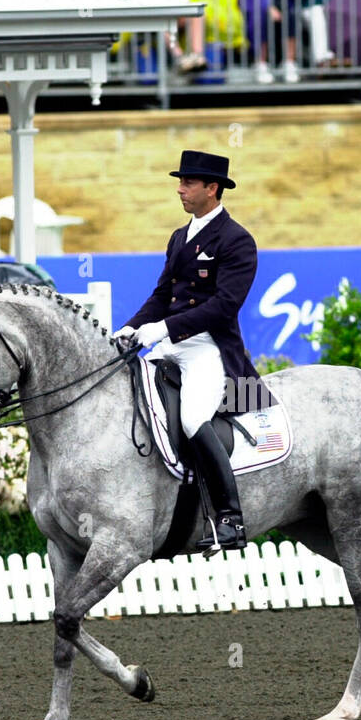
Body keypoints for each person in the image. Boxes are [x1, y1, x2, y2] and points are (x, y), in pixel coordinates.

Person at [113, 150, 274, 553]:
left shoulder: (237, 240)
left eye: (188, 183)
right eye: (180, 182)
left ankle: (230, 518)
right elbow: (162, 294)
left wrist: (164, 327)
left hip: (208, 347)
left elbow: (223, 306)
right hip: (169, 343)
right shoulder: (179, 237)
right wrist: (131, 328)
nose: (180, 190)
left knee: (191, 418)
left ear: (211, 188)